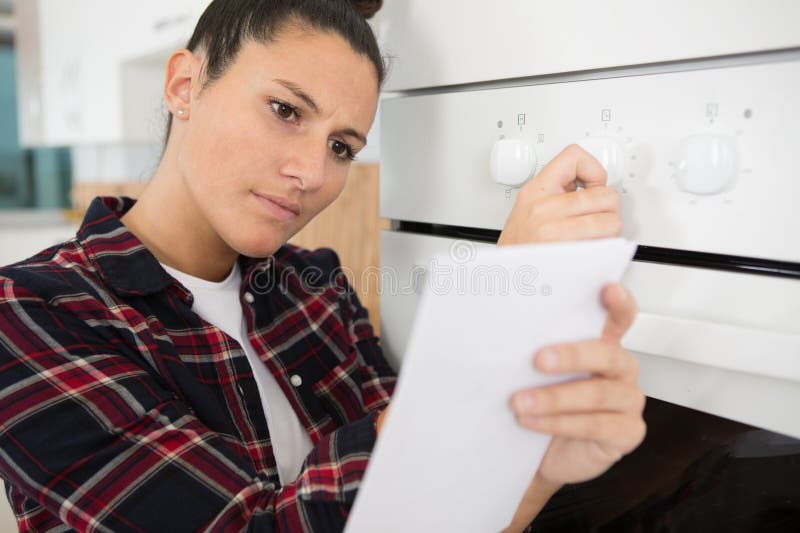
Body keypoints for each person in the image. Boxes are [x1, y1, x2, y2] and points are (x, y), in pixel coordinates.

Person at [0, 0, 646, 531]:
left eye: (342, 146)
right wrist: (496, 314)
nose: (311, 173)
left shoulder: (316, 285)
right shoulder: (28, 312)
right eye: (285, 110)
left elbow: (429, 514)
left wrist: (537, 470)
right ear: (184, 86)